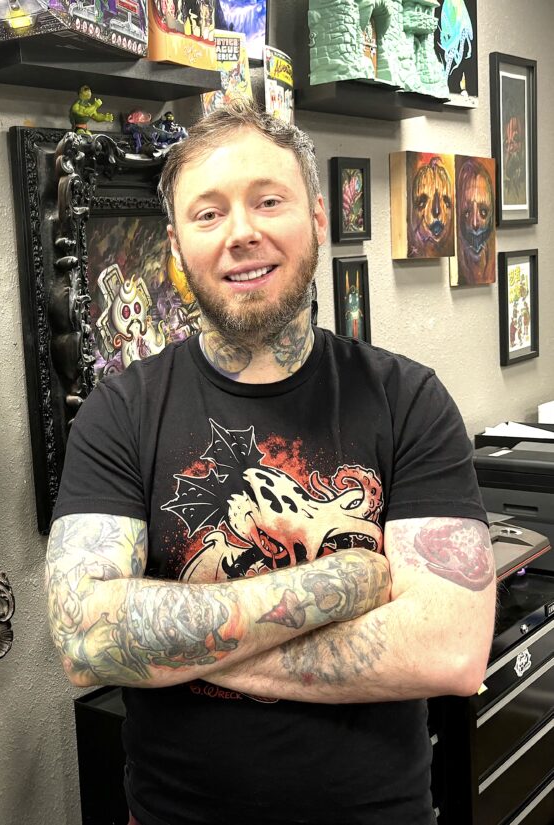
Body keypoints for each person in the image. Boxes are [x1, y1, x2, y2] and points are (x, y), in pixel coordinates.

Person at [45, 102, 496, 825]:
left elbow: (450, 650)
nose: (241, 233)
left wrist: (185, 647)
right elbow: (85, 640)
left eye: (268, 201)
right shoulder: (119, 412)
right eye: (209, 213)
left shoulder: (407, 400)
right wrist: (345, 581)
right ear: (176, 246)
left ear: (316, 217)